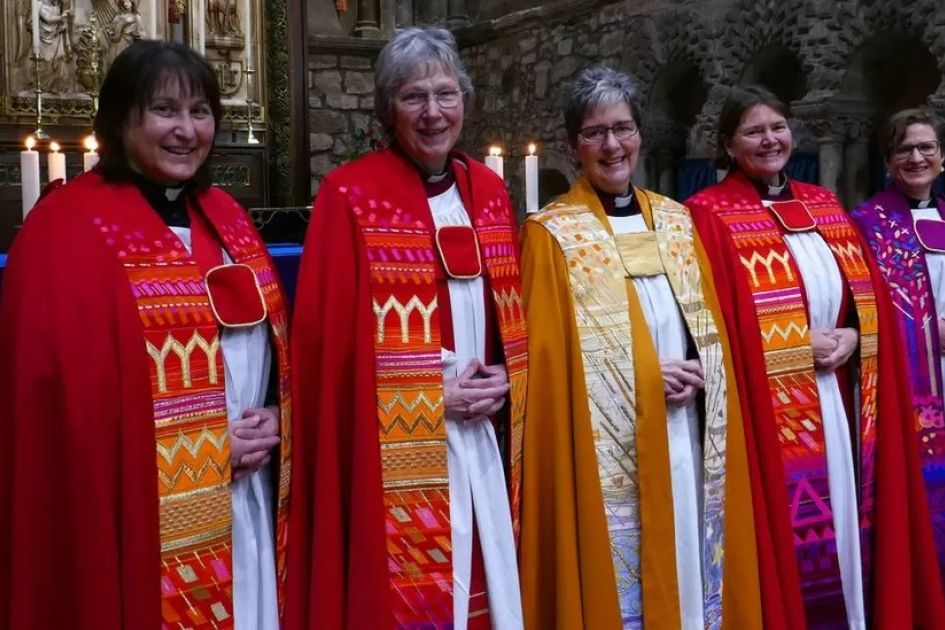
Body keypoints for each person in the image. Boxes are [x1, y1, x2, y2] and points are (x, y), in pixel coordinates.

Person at [0, 40, 291, 629]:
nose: (186, 129)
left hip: (247, 504)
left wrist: (277, 415)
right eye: (164, 110)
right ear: (119, 120)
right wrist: (204, 454)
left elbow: (270, 351)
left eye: (201, 111)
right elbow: (63, 412)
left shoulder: (228, 217)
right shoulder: (67, 228)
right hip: (138, 523)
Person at [286, 27, 527, 630]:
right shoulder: (351, 195)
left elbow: (514, 318)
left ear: (465, 104)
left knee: (489, 588)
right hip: (394, 447)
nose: (432, 113)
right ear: (387, 107)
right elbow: (327, 352)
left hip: (485, 435)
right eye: (413, 97)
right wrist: (428, 395)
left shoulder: (491, 193)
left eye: (446, 95)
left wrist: (509, 374)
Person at [685, 86, 943, 628]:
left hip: (840, 399)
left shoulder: (822, 204)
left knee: (849, 525)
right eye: (753, 132)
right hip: (767, 409)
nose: (769, 140)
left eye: (777, 127)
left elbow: (865, 298)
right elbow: (704, 326)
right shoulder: (707, 214)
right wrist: (790, 346)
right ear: (729, 144)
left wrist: (855, 335)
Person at [518, 66, 760, 629]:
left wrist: (702, 369)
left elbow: (711, 331)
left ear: (640, 135)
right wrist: (647, 378)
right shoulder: (552, 234)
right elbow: (550, 366)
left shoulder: (677, 221)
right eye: (595, 132)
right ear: (573, 144)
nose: (612, 145)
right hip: (611, 450)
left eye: (622, 128)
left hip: (687, 436)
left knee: (692, 561)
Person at [850, 108, 945, 611]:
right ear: (888, 160)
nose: (917, 157)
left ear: (943, 156)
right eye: (904, 149)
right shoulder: (866, 224)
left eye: (926, 147)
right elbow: (861, 307)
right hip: (908, 387)